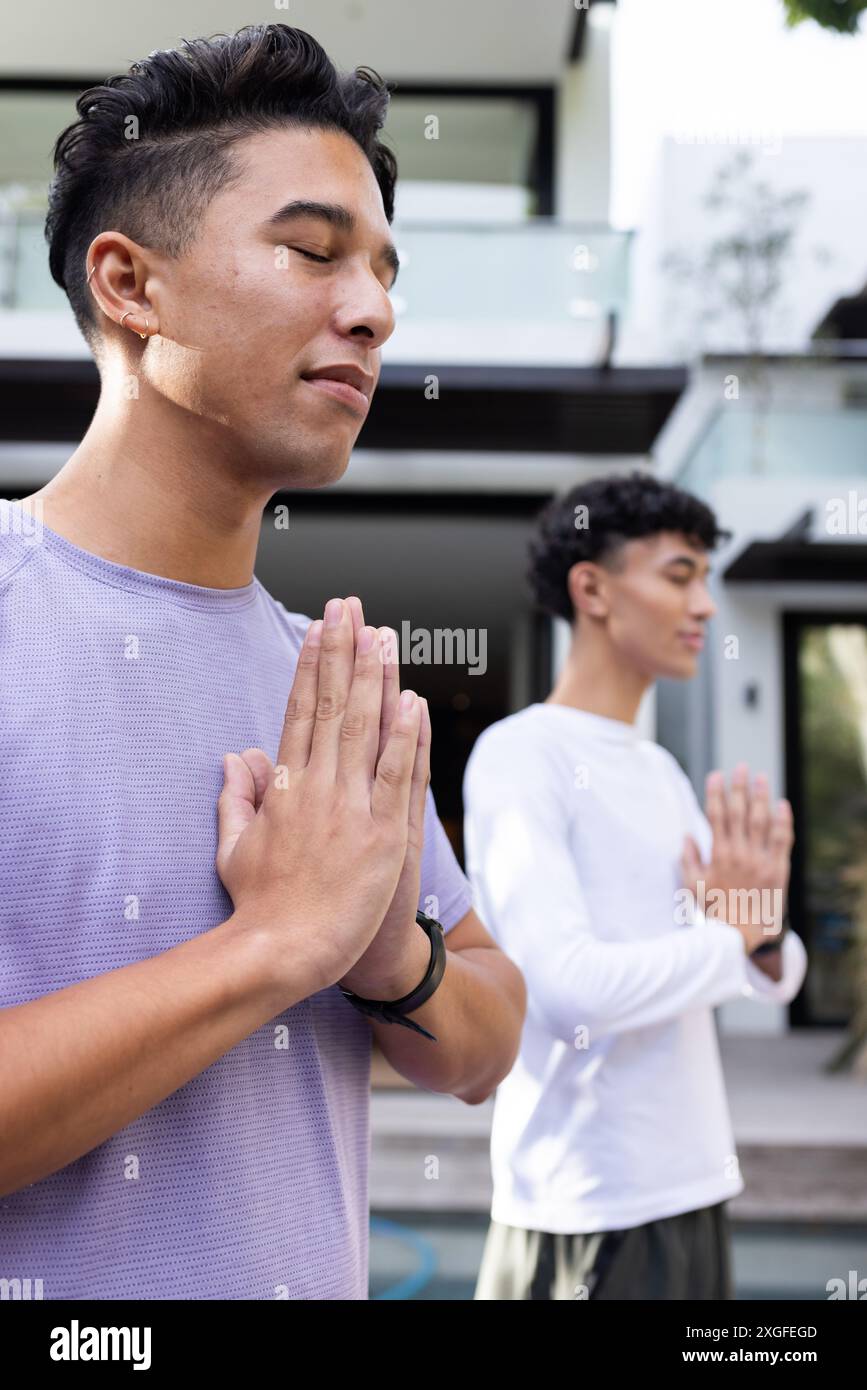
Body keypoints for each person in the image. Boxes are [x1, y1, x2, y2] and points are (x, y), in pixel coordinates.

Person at [0, 23, 525, 1300]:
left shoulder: (330, 679)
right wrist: (278, 943)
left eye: (387, 272)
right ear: (130, 285)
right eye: (313, 251)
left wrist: (387, 953)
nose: (375, 310)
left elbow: (485, 1037)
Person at [463, 471, 808, 1300]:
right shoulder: (521, 756)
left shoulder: (656, 769)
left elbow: (767, 958)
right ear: (593, 589)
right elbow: (567, 992)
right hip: (584, 1205)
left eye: (705, 580)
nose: (705, 609)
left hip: (692, 1186)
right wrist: (733, 938)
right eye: (678, 576)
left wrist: (752, 929)